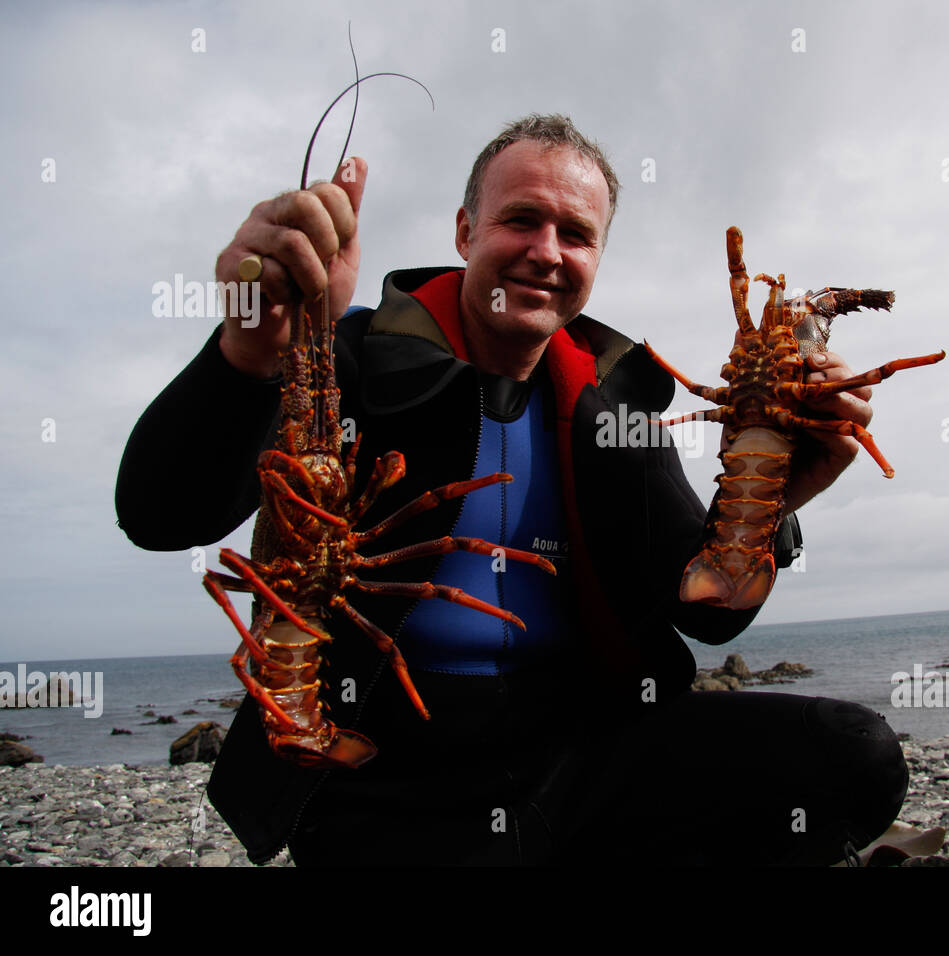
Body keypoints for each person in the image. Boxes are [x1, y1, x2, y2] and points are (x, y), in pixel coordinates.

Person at [116, 114, 909, 866]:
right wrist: (251, 354)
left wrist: (781, 505)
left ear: (597, 261)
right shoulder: (345, 358)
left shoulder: (617, 404)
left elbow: (701, 615)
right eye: (520, 220)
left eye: (576, 235)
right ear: (465, 231)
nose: (546, 251)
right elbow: (161, 514)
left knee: (852, 755)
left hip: (578, 747)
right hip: (384, 767)